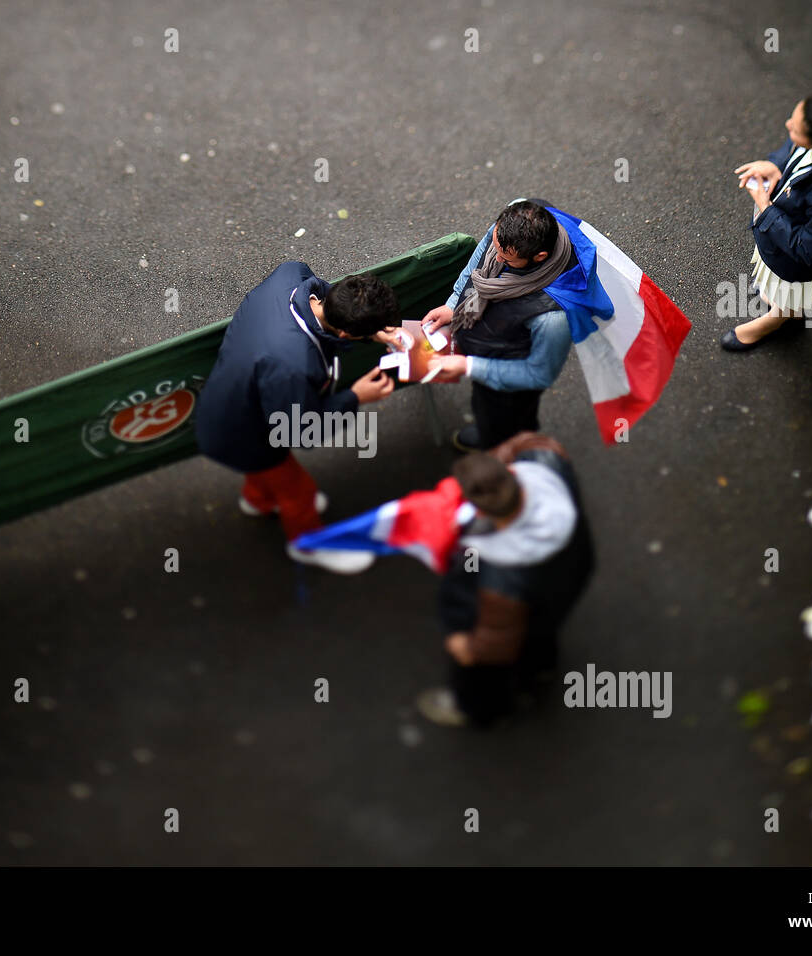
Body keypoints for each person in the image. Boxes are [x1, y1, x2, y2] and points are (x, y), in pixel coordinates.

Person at [195, 261, 401, 574]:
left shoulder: (292, 276)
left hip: (225, 407)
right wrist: (355, 396)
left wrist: (371, 331)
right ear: (346, 333)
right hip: (245, 435)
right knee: (299, 493)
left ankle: (259, 501)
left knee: (267, 473)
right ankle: (309, 545)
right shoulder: (294, 366)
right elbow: (300, 433)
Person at [417, 431, 595, 729]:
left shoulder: (497, 572)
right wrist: (491, 472)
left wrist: (467, 645)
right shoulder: (547, 465)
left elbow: (494, 640)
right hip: (567, 582)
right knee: (541, 634)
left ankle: (480, 710)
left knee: (486, 676)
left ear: (481, 510)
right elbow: (531, 442)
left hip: (510, 616)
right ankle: (540, 669)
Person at [421, 198, 579, 452]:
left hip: (510, 388)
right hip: (490, 350)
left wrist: (469, 365)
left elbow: (539, 374)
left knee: (504, 424)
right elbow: (480, 259)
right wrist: (454, 303)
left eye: (507, 259)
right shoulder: (510, 222)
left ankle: (501, 444)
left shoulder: (553, 318)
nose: (496, 257)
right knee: (484, 406)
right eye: (495, 245)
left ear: (539, 256)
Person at [723, 95, 812, 351]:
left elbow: (807, 252)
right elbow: (794, 148)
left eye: (795, 128)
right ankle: (786, 310)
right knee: (780, 288)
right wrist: (776, 164)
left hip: (795, 259)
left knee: (790, 291)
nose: (788, 124)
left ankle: (777, 320)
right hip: (787, 238)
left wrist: (766, 209)